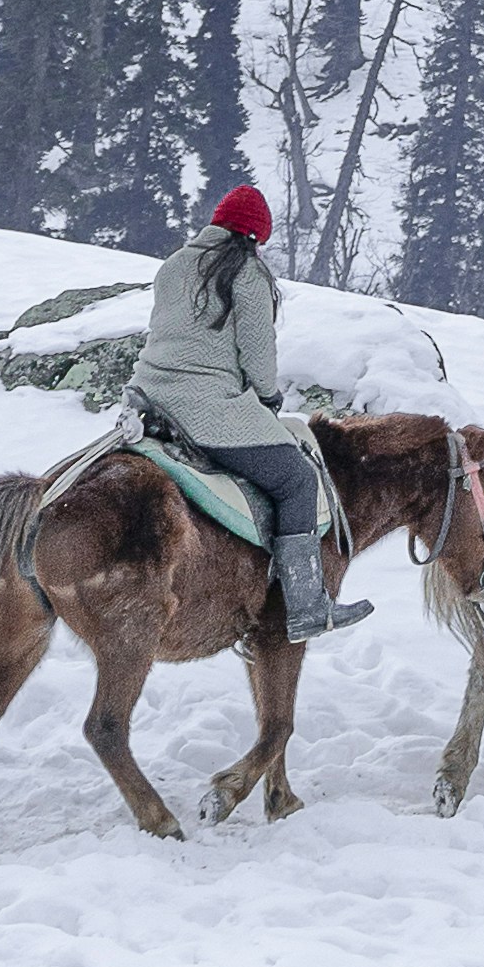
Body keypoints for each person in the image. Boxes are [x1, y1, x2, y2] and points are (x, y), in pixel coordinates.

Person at [130, 181, 370, 644]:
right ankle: (305, 606)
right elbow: (258, 355)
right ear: (255, 236)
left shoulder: (174, 264)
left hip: (146, 403)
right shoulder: (247, 273)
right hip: (206, 410)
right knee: (297, 480)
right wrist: (266, 398)